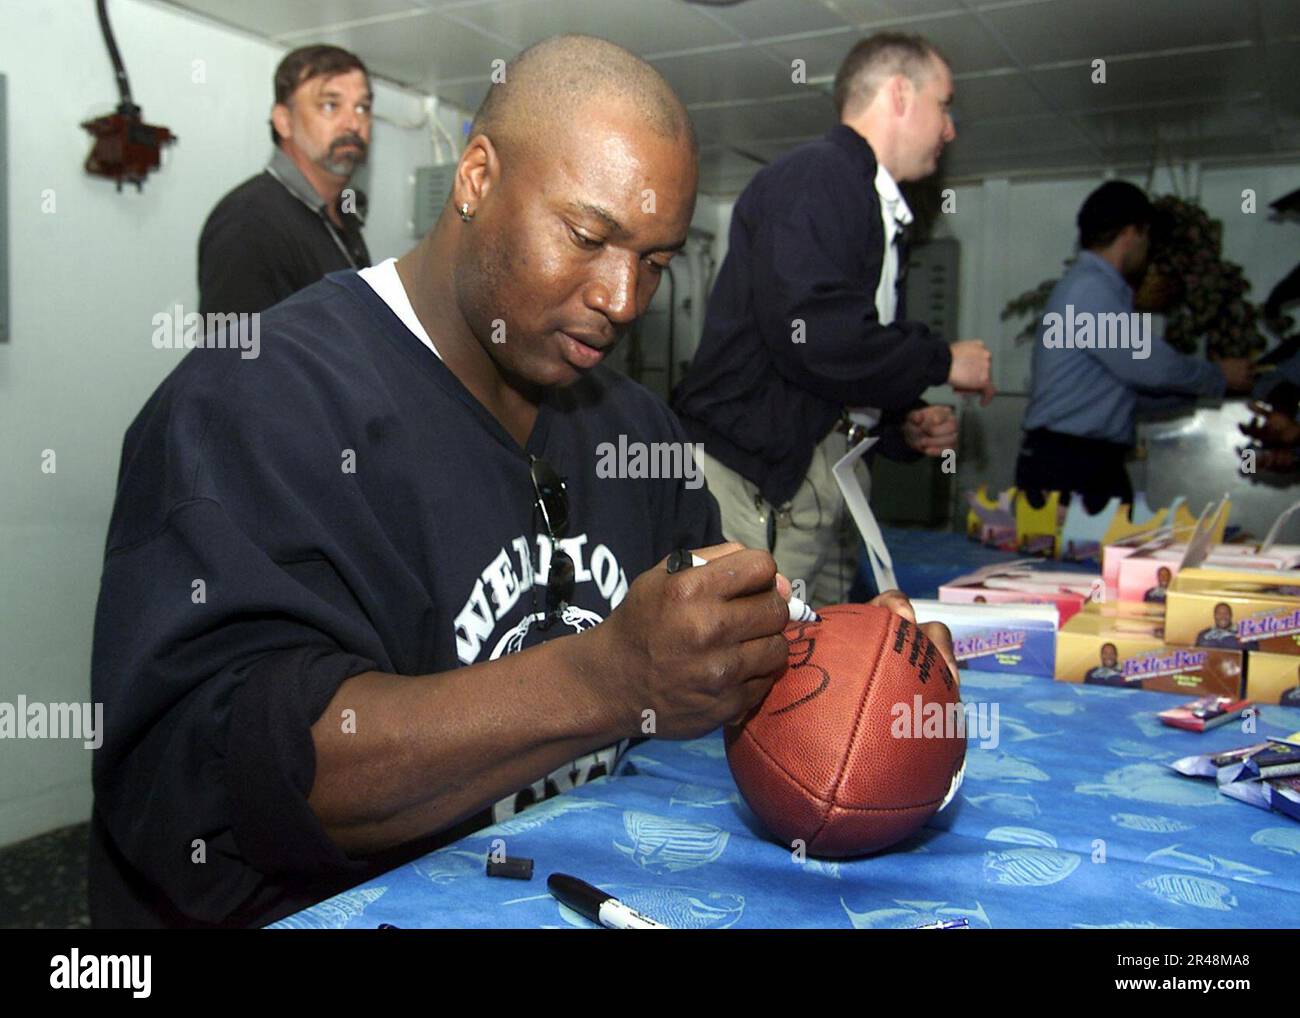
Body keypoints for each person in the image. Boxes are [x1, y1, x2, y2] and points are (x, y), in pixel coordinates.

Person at [90, 35, 957, 929]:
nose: (623, 298)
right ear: (474, 177)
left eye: (655, 261)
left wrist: (846, 663)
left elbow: (712, 650)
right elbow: (237, 776)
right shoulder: (254, 403)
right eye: (588, 236)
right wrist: (604, 680)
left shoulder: (637, 431)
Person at [672, 32, 993, 608]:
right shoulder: (820, 176)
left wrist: (899, 424)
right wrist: (942, 360)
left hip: (816, 482)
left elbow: (833, 369)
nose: (950, 129)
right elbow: (812, 335)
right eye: (944, 106)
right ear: (899, 93)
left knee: (818, 673)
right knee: (759, 669)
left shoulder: (867, 198)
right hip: (757, 482)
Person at [1016, 181, 1255, 513]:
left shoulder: (1087, 289)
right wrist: (1218, 375)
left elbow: (1124, 395)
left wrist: (1205, 391)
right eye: (1147, 238)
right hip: (1071, 464)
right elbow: (1153, 368)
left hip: (1078, 461)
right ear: (1132, 233)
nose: (1147, 250)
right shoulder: (1091, 290)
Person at [197, 45, 373, 315]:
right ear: (283, 121)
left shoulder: (343, 214)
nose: (353, 123)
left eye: (362, 107)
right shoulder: (249, 220)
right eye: (330, 105)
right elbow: (236, 351)